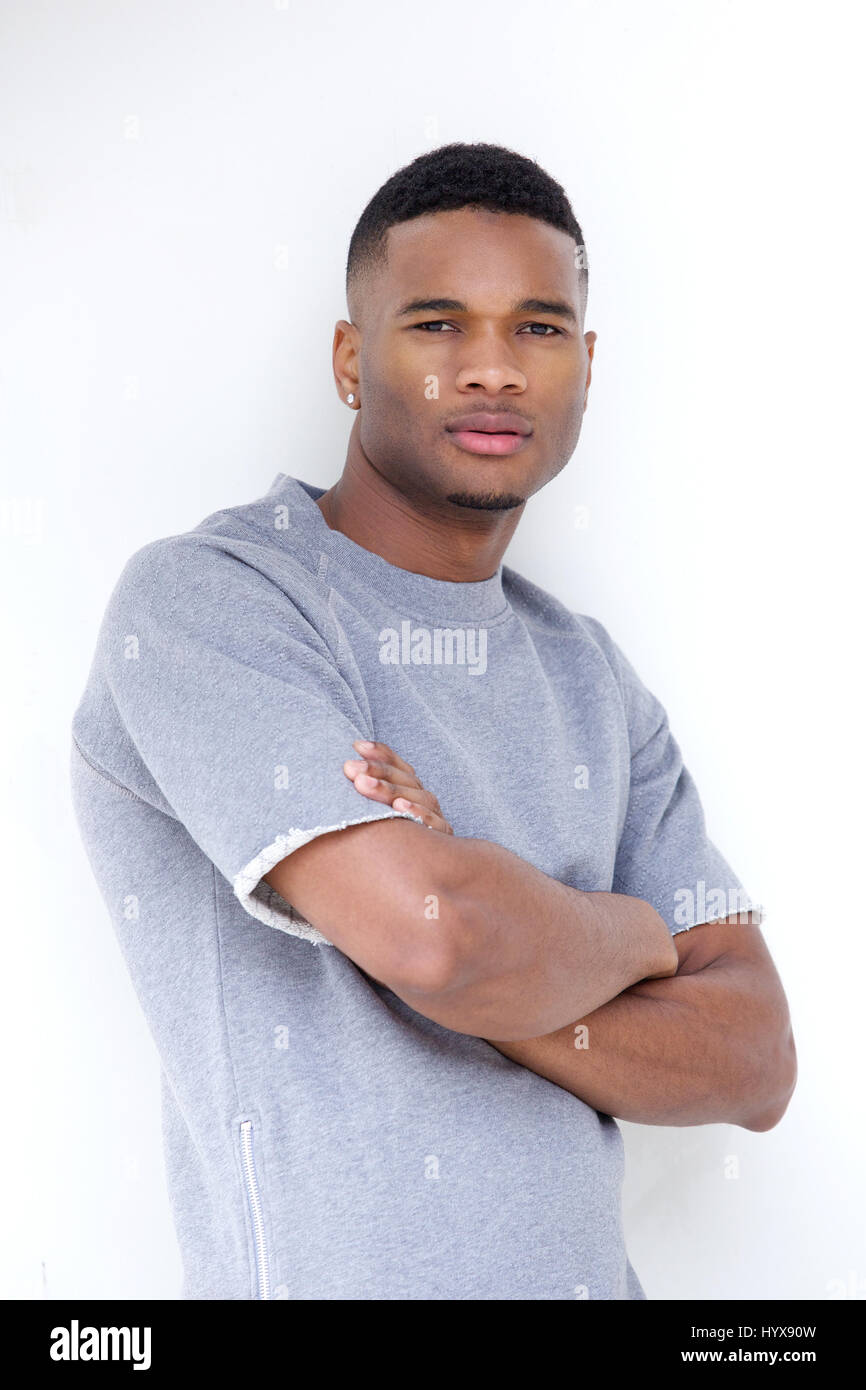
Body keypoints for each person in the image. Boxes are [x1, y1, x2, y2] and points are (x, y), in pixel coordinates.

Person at [70, 141, 796, 1301]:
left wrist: (512, 949)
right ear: (352, 361)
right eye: (438, 324)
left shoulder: (590, 678)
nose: (494, 370)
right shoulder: (213, 601)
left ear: (586, 366)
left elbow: (755, 1058)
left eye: (538, 329)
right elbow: (438, 938)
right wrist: (642, 939)